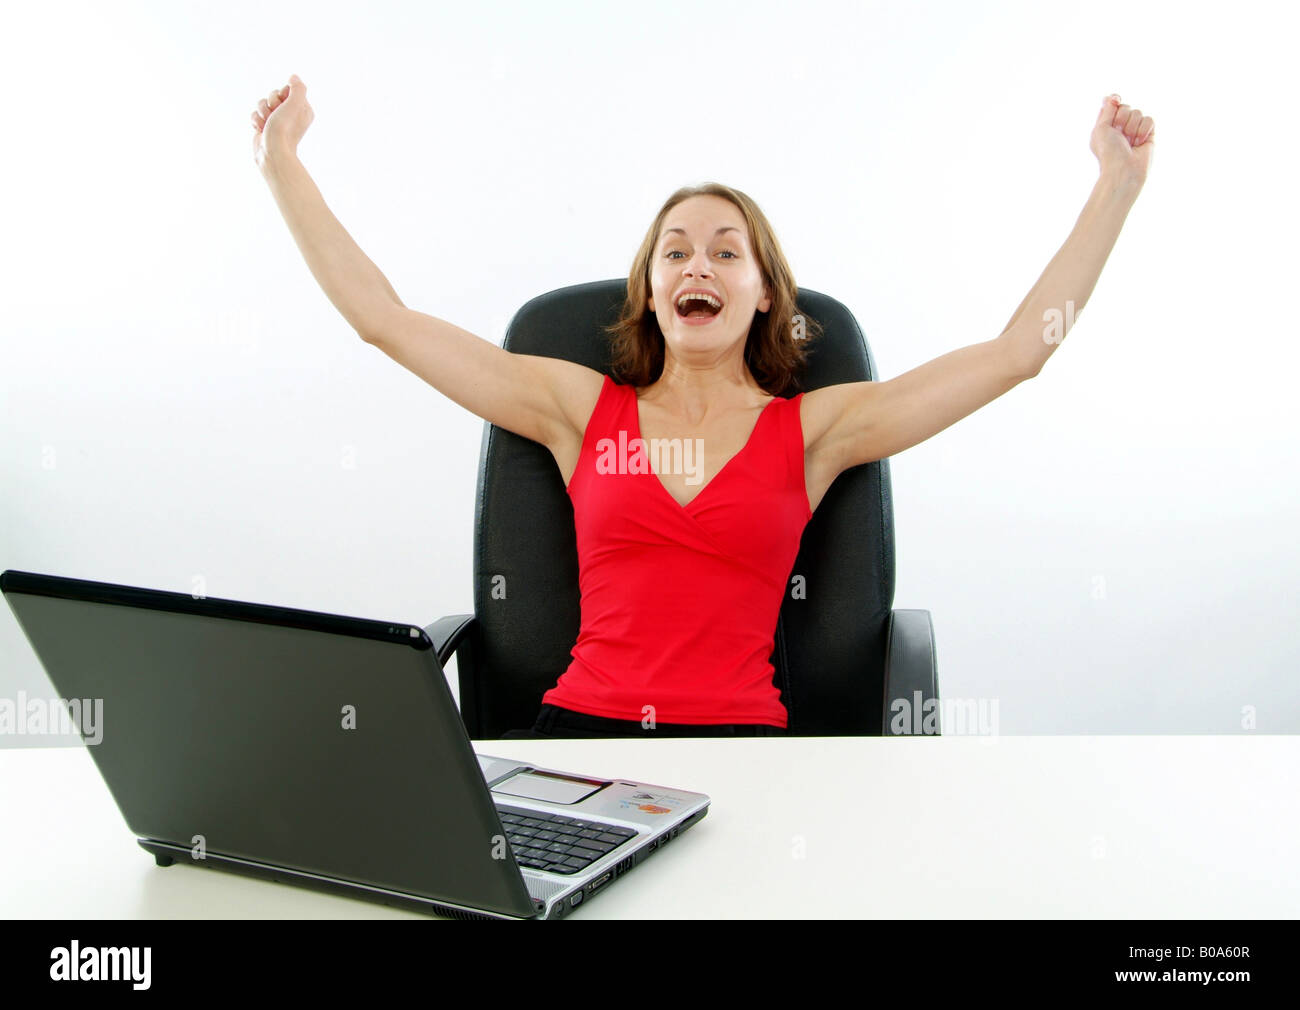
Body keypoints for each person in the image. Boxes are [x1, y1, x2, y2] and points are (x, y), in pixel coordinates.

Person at [251, 77, 1154, 739]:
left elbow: (1015, 356)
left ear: (765, 293)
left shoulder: (816, 432)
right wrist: (281, 164)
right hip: (579, 734)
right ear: (649, 291)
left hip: (744, 748)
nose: (698, 267)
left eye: (727, 253)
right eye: (675, 252)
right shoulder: (576, 409)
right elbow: (384, 322)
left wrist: (1116, 186)